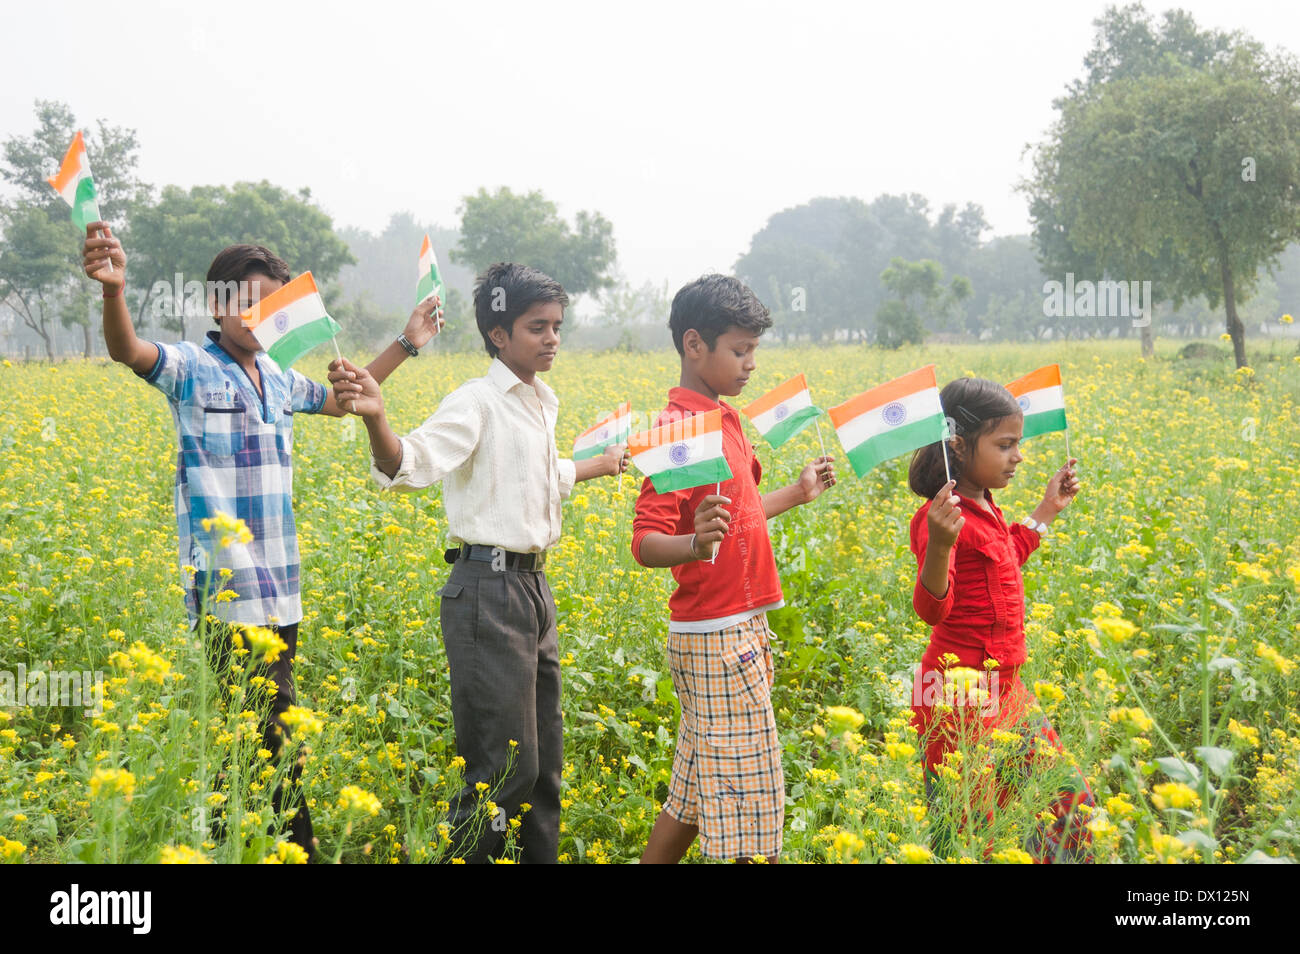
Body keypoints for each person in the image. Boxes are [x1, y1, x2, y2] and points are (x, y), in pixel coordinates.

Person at [81, 222, 443, 861]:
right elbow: (128, 350)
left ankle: (235, 845)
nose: (261, 317)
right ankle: (284, 849)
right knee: (270, 739)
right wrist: (114, 292)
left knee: (251, 739)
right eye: (248, 302)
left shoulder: (275, 376)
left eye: (272, 305)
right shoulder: (193, 369)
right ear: (217, 306)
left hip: (282, 588)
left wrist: (406, 344)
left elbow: (343, 399)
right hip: (227, 594)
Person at [328, 262, 627, 863]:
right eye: (537, 326)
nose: (552, 339)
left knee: (543, 773)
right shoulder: (476, 402)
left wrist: (597, 465)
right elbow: (405, 465)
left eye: (557, 326)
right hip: (487, 594)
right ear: (498, 334)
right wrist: (377, 418)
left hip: (534, 590)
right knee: (501, 771)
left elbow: (532, 477)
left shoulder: (542, 403)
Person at [631, 274, 835, 863]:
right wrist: (692, 546)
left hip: (737, 628)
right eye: (738, 351)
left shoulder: (725, 421)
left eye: (754, 351)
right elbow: (645, 541)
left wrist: (794, 494)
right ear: (694, 345)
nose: (750, 365)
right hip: (716, 636)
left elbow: (736, 519)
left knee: (692, 803)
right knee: (751, 815)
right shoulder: (677, 433)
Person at [907, 375, 1093, 862]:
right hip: (956, 695)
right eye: (1005, 444)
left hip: (1006, 688)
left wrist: (1048, 508)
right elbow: (931, 609)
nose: (1018, 456)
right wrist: (941, 544)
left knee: (1070, 807)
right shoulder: (940, 517)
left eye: (1019, 444)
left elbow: (1006, 554)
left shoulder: (985, 504)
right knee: (969, 838)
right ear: (959, 448)